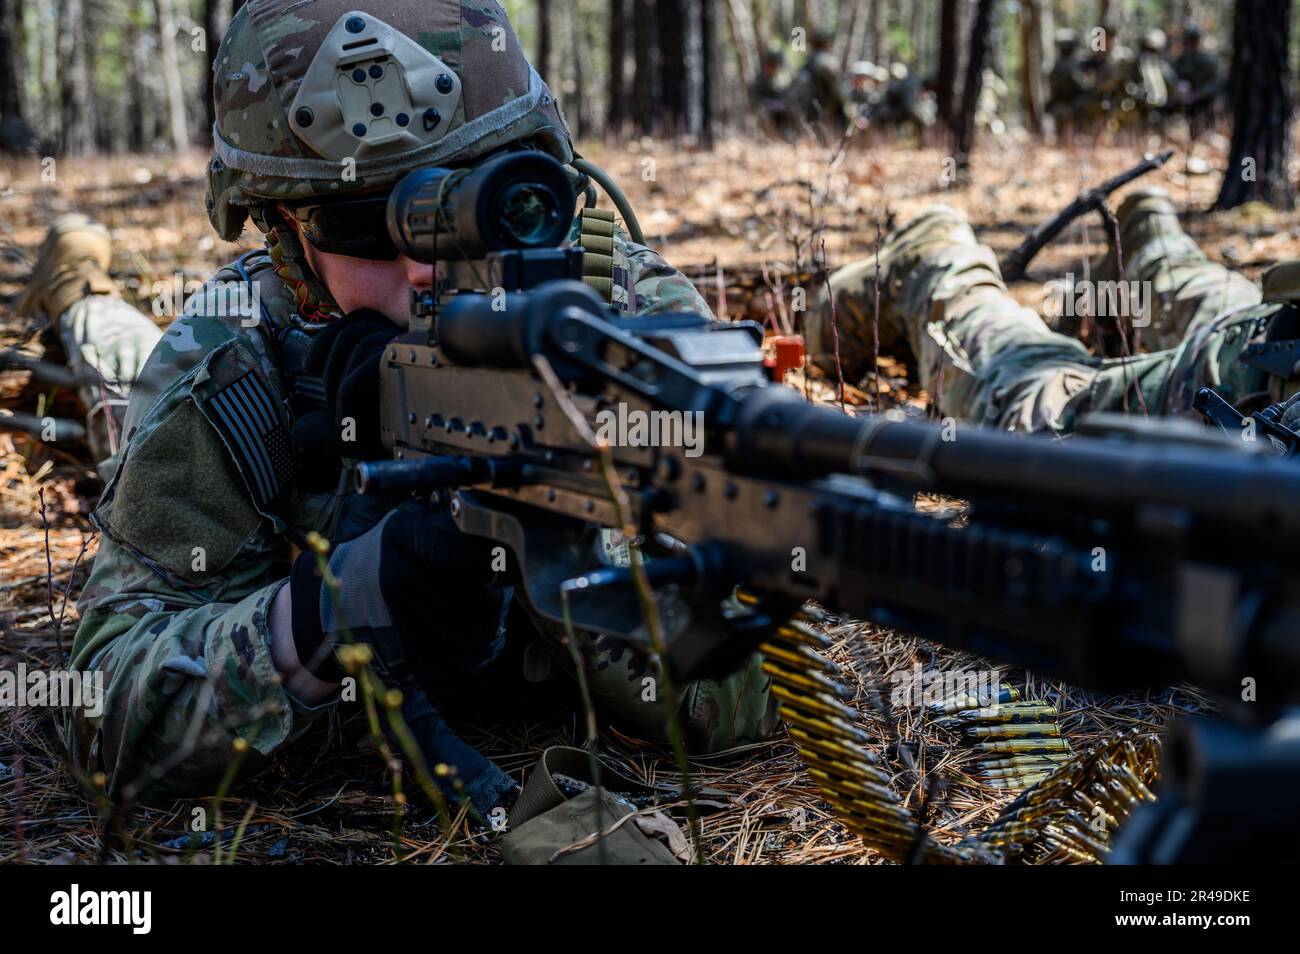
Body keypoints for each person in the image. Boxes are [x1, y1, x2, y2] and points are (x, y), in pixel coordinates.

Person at [58, 0, 778, 812]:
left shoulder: (618, 315)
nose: (426, 266)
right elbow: (101, 710)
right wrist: (321, 615)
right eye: (367, 225)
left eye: (468, 200)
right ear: (287, 230)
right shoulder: (234, 357)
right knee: (113, 369)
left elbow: (762, 686)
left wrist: (569, 548)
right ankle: (84, 295)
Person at [806, 188, 1295, 437]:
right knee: (1032, 394)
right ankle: (934, 264)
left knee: (1205, 299)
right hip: (1261, 376)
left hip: (1269, 341)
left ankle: (1150, 233)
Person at [751, 47, 794, 140]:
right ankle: (766, 138)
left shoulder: (785, 79)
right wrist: (770, 104)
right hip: (767, 111)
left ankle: (789, 137)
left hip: (783, 113)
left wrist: (783, 105)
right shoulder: (760, 80)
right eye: (770, 65)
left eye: (775, 65)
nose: (773, 68)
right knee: (762, 112)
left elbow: (791, 97)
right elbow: (755, 100)